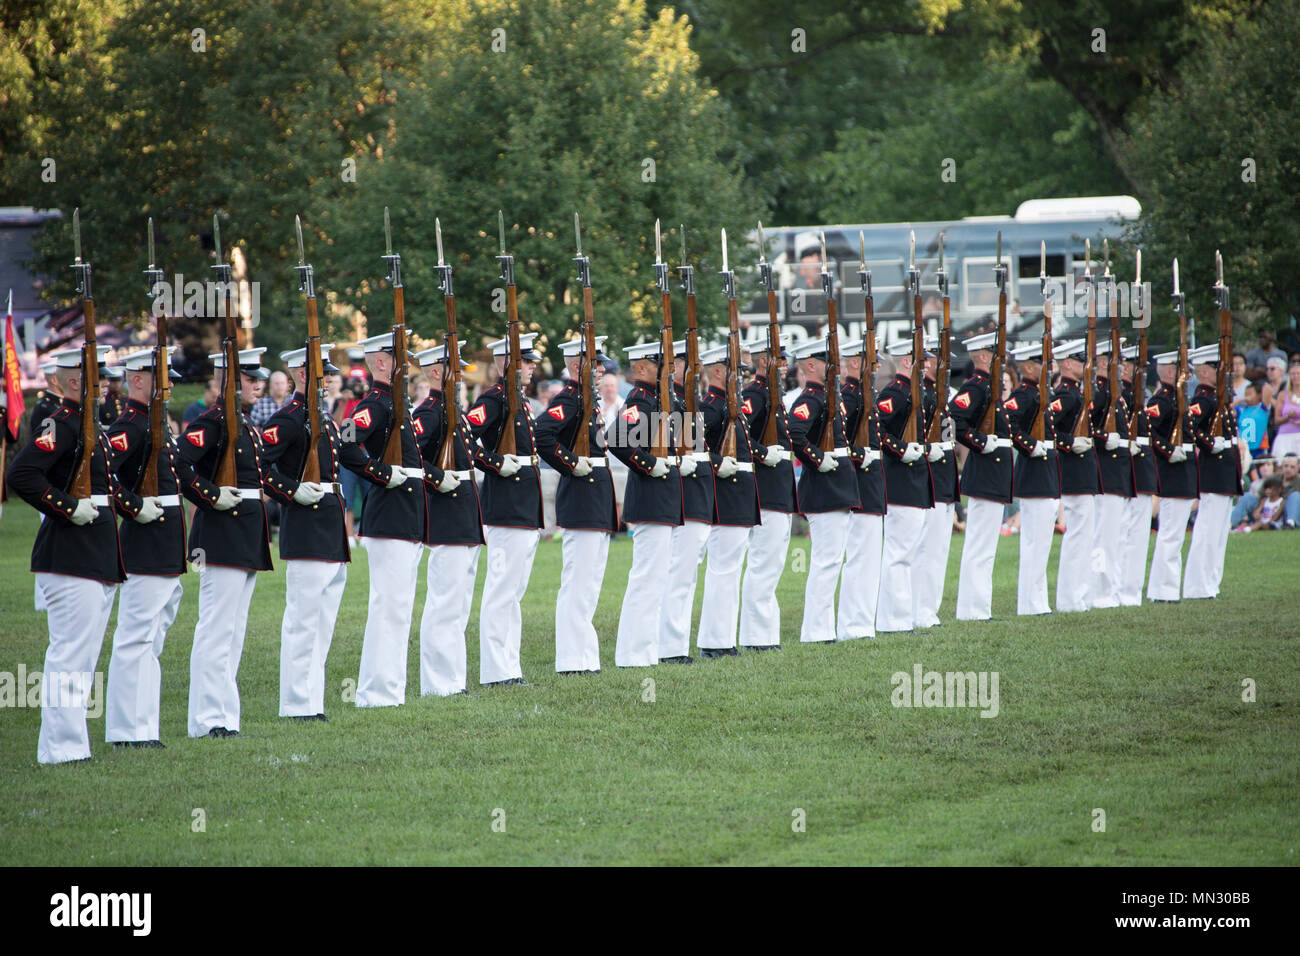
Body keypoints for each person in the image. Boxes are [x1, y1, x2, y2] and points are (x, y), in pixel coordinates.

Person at [9, 345, 125, 763]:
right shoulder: (63, 424)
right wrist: (67, 507)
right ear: (77, 381)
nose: (108, 384)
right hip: (69, 553)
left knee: (84, 656)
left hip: (94, 552)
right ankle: (61, 749)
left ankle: (72, 745)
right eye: (100, 376)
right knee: (69, 655)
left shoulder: (86, 423)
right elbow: (21, 474)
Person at [175, 347, 273, 738]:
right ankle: (207, 719)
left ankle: (225, 715)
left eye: (259, 379)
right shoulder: (213, 422)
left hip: (246, 534)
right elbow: (178, 463)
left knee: (234, 632)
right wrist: (210, 495)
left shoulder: (243, 423)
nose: (258, 385)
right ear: (227, 381)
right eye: (250, 379)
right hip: (221, 534)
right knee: (216, 630)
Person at [259, 345, 351, 722]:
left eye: (327, 373)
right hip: (306, 522)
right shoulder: (289, 419)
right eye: (320, 373)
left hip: (328, 522)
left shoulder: (324, 418)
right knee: (303, 620)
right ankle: (297, 703)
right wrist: (290, 490)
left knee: (323, 621)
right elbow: (259, 467)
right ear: (301, 375)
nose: (327, 379)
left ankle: (312, 700)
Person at [103, 347, 186, 748]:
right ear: (137, 380)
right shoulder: (131, 426)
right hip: (146, 542)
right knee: (136, 637)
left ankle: (144, 726)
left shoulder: (155, 426)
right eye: (159, 378)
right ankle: (126, 730)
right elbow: (101, 472)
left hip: (166, 543)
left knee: (153, 638)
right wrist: (134, 507)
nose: (167, 386)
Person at [338, 332, 426, 708]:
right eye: (399, 358)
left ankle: (390, 688)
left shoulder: (394, 403)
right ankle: (376, 691)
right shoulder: (375, 403)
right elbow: (345, 441)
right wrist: (379, 472)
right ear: (382, 363)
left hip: (405, 515)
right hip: (389, 514)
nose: (406, 365)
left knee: (400, 607)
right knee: (388, 606)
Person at [532, 337, 618, 675]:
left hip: (594, 496)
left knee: (590, 582)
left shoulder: (586, 400)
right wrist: (570, 463)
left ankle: (584, 656)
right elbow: (542, 434)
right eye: (593, 363)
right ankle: (572, 659)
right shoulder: (569, 398)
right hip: (582, 496)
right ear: (575, 365)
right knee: (578, 582)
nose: (600, 369)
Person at [466, 333, 544, 688]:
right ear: (507, 364)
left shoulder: (520, 401)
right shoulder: (495, 398)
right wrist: (495, 463)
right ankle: (497, 671)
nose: (532, 367)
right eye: (526, 361)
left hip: (523, 503)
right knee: (501, 589)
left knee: (514, 590)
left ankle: (509, 666)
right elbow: (463, 437)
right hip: (505, 504)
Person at [607, 341, 684, 667]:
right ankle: (633, 654)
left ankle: (647, 649)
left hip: (665, 498)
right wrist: (647, 463)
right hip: (650, 498)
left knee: (658, 578)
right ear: (641, 369)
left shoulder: (661, 400)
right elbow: (613, 439)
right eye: (660, 364)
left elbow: (685, 436)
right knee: (647, 578)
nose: (669, 369)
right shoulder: (639, 400)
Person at [411, 344, 483, 696]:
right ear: (437, 372)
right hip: (446, 513)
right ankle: (439, 684)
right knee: (445, 602)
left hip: (464, 513)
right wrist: (437, 478)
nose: (463, 375)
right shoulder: (429, 413)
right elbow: (412, 459)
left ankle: (453, 679)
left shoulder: (453, 410)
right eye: (455, 368)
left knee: (459, 604)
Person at [786, 335, 860, 643]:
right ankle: (816, 631)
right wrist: (818, 459)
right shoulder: (810, 398)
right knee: (826, 562)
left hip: (836, 486)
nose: (838, 367)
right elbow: (795, 432)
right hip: (825, 488)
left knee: (832, 561)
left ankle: (822, 628)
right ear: (813, 365)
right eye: (831, 362)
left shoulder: (829, 396)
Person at [695, 343, 761, 657]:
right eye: (738, 372)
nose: (743, 377)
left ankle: (723, 639)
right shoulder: (712, 406)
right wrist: (715, 461)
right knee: (723, 570)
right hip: (727, 494)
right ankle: (714, 641)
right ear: (719, 372)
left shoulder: (727, 405)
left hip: (739, 493)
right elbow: (686, 443)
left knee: (730, 569)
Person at [739, 334, 797, 649]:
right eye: (780, 358)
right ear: (765, 361)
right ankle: (756, 636)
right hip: (766, 488)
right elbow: (739, 431)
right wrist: (762, 455)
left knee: (772, 564)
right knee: (764, 562)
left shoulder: (772, 394)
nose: (786, 364)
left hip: (778, 488)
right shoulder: (756, 394)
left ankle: (765, 633)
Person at [951, 331, 1013, 622]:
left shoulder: (989, 386)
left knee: (986, 546)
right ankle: (973, 611)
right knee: (980, 545)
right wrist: (978, 441)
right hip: (986, 472)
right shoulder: (977, 386)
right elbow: (956, 416)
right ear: (986, 357)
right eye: (999, 355)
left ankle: (978, 608)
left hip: (993, 472)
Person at [874, 339, 935, 633]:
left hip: (915, 480)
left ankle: (905, 615)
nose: (927, 365)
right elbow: (876, 428)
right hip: (901, 479)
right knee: (898, 554)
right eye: (921, 360)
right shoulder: (895, 392)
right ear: (907, 362)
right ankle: (893, 620)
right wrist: (900, 449)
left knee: (909, 553)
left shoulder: (916, 392)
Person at [658, 340, 710, 662]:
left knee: (687, 574)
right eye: (689, 362)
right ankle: (670, 647)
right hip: (684, 493)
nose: (697, 368)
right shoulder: (670, 402)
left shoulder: (687, 401)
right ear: (675, 366)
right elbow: (645, 440)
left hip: (697, 493)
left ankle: (676, 644)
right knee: (678, 574)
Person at [1183, 344, 1241, 600]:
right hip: (1214, 471)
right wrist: (1208, 443)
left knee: (1219, 534)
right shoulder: (1203, 399)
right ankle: (1198, 586)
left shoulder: (1219, 399)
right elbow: (1189, 426)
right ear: (1204, 372)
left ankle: (1211, 583)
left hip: (1225, 471)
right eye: (1217, 367)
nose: (1222, 372)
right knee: (1208, 531)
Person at [838, 337, 885, 640]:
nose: (876, 365)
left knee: (870, 559)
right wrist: (857, 454)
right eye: (871, 359)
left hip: (871, 481)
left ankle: (863, 623)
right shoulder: (849, 395)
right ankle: (852, 626)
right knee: (859, 558)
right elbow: (836, 436)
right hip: (859, 481)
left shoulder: (863, 394)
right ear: (856, 363)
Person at [1005, 342, 1058, 615]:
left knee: (1042, 543)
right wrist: (1029, 445)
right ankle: (1030, 603)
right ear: (1028, 367)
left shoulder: (1039, 394)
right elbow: (1006, 420)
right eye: (1041, 363)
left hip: (1045, 473)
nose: (1047, 368)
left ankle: (1037, 600)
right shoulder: (1024, 395)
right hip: (1034, 473)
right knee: (1035, 543)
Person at [1049, 339, 1100, 613]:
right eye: (1081, 361)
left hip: (1082, 472)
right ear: (1067, 364)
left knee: (1084, 537)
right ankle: (1070, 599)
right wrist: (1069, 443)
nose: (1085, 366)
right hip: (1073, 471)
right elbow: (1047, 428)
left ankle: (1079, 595)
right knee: (1078, 537)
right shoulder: (1065, 396)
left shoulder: (1076, 394)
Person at [1146, 348, 1199, 602]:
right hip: (1173, 471)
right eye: (1180, 369)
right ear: (1169, 371)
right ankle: (1163, 590)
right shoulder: (1160, 400)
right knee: (1170, 533)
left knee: (1176, 534)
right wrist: (1168, 450)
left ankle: (1167, 587)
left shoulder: (1179, 398)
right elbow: (1149, 432)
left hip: (1184, 468)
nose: (1185, 374)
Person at [1088, 337, 1135, 609]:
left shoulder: (1115, 394)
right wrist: (1105, 437)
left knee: (1116, 536)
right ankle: (1100, 591)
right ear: (1105, 362)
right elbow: (1083, 429)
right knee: (1103, 538)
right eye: (1119, 361)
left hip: (1117, 472)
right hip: (1104, 472)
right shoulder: (1099, 393)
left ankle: (1112, 589)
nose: (1123, 367)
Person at [917, 338, 959, 628]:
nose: (947, 366)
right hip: (928, 483)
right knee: (925, 552)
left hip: (943, 482)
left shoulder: (942, 396)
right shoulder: (921, 395)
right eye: (940, 360)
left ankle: (929, 610)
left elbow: (949, 441)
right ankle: (919, 610)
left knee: (939, 553)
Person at [1120, 345, 1158, 606]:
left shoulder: (1139, 397)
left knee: (1138, 535)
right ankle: (1122, 590)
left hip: (1141, 470)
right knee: (1123, 534)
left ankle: (1131, 589)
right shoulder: (1120, 396)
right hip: (1125, 470)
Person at [1233, 452, 1299, 529]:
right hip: (1267, 512)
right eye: (1286, 466)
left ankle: (1290, 524)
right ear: (1281, 467)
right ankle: (1231, 524)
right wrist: (1258, 511)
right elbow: (1260, 495)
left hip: (1287, 513)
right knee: (1247, 497)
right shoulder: (1274, 478)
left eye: (1292, 467)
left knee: (1295, 496)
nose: (1288, 469)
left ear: (1298, 468)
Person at [1270, 360, 1300, 458]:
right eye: (1293, 374)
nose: (1295, 376)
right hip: (1285, 436)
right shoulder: (1283, 395)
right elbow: (1277, 420)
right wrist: (1288, 417)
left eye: (1298, 373)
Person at [1236, 382, 1270, 457]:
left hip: (1259, 447)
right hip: (1244, 448)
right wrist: (1240, 400)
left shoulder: (1262, 409)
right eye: (1246, 394)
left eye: (1250, 394)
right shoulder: (1240, 409)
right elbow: (1227, 410)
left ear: (1259, 395)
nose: (1247, 397)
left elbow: (1268, 390)